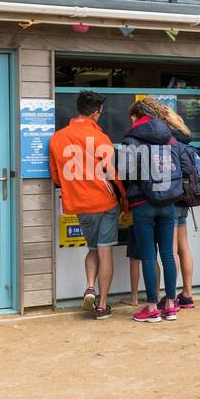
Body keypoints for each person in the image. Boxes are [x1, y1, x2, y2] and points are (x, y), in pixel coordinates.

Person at [48, 91, 124, 319]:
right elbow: (111, 172)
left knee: (92, 249)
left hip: (79, 204)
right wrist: (123, 197)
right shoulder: (101, 138)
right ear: (96, 113)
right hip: (104, 202)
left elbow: (55, 176)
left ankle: (90, 287)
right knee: (105, 250)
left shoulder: (57, 138)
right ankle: (101, 305)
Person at [119, 100, 181, 323]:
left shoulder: (131, 139)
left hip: (142, 203)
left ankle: (153, 308)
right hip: (168, 201)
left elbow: (125, 173)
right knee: (167, 254)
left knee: (148, 255)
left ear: (136, 116)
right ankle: (171, 306)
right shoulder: (169, 137)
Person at [141, 99, 197, 309]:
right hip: (184, 198)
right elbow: (188, 170)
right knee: (184, 247)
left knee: (169, 250)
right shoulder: (184, 138)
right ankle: (188, 294)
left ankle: (169, 298)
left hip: (171, 198)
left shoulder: (168, 140)